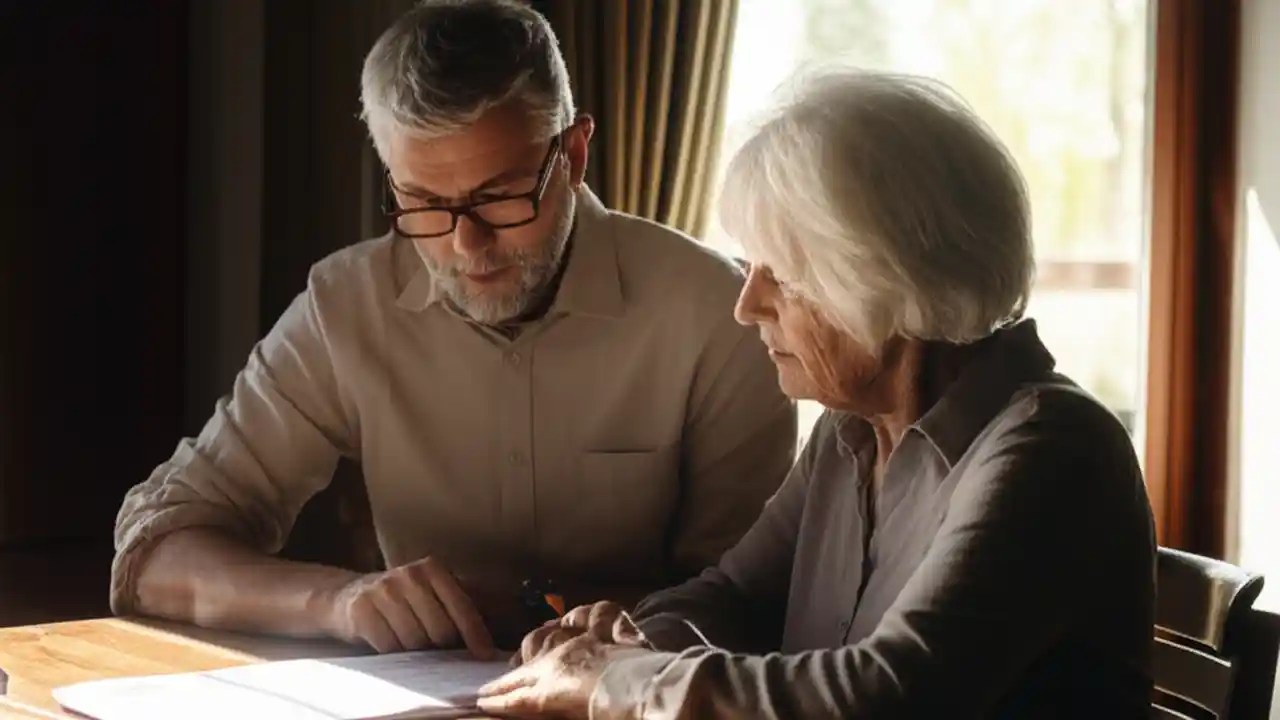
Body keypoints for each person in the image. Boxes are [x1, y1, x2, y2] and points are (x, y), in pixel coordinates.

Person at [111, 0, 795, 659]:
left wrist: (532, 604)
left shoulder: (719, 314)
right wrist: (340, 601)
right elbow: (154, 552)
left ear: (576, 154)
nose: (468, 245)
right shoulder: (346, 305)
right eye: (427, 203)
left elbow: (750, 604)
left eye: (499, 197)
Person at [478, 69, 1156, 718]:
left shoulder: (1050, 447)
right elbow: (734, 596)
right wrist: (627, 642)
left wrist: (617, 681)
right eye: (751, 268)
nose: (747, 305)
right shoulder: (852, 429)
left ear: (884, 278)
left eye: (783, 275)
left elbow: (889, 695)